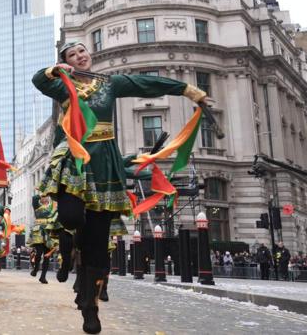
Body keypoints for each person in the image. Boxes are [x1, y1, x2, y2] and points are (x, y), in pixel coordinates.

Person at [32, 41, 209, 335]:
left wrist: (187, 89)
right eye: (72, 54)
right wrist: (53, 70)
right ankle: (76, 240)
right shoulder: (62, 86)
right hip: (76, 158)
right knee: (72, 219)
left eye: (82, 51)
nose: (80, 56)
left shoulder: (109, 83)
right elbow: (39, 80)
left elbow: (144, 83)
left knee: (99, 247)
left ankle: (90, 307)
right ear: (66, 61)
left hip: (105, 160)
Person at [29, 194, 59, 284]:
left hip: (49, 232)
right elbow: (34, 198)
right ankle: (36, 268)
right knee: (39, 253)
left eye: (46, 196)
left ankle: (43, 276)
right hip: (38, 232)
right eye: (42, 197)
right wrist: (43, 192)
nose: (44, 198)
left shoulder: (52, 207)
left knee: (47, 256)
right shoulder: (37, 206)